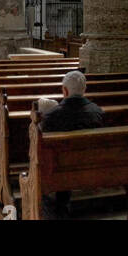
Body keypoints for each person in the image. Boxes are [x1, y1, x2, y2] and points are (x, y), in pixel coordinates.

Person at [37, 70, 104, 219]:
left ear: (65, 90)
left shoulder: (52, 116)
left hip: (60, 171)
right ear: (84, 90)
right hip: (92, 166)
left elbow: (39, 149)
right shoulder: (98, 112)